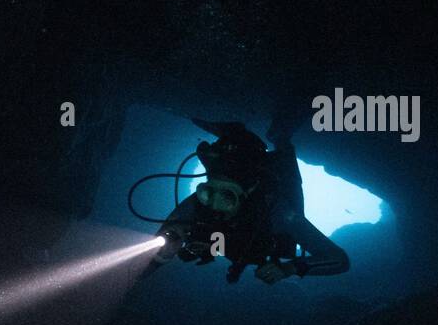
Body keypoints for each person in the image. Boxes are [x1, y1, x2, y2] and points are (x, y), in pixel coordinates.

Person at [149, 119, 349, 283]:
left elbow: (339, 260)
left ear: (248, 192)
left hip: (264, 230)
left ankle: (281, 139)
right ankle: (238, 133)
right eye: (207, 193)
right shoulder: (196, 203)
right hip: (235, 248)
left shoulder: (277, 213)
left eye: (227, 196)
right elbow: (156, 251)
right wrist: (162, 252)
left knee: (289, 177)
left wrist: (290, 267)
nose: (214, 205)